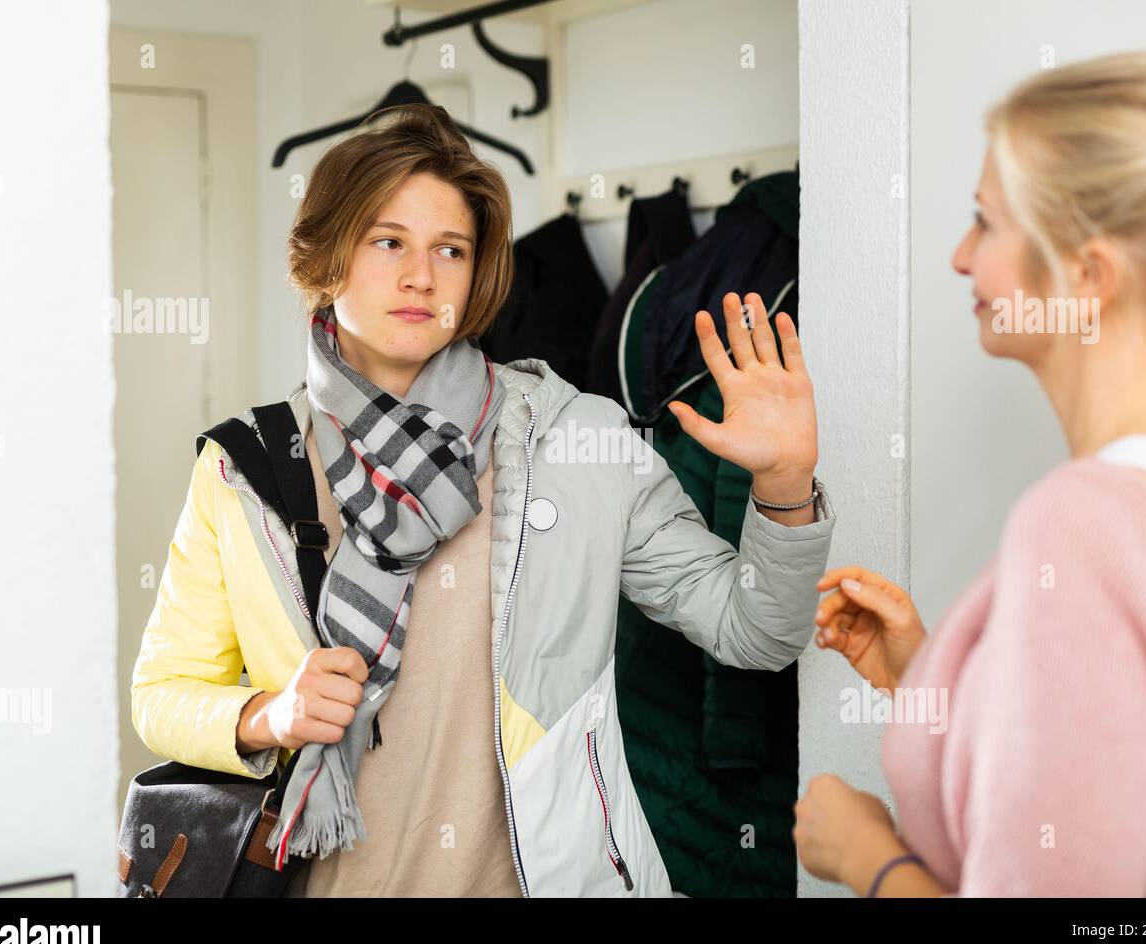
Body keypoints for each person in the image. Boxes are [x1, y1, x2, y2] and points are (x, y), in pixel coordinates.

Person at [130, 103, 835, 897]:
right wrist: (270, 715)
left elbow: (757, 632)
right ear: (328, 258)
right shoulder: (247, 467)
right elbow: (162, 696)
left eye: (451, 250)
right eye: (387, 240)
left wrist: (781, 486)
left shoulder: (577, 439)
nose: (420, 276)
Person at [796, 51, 1146, 897]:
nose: (962, 258)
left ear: (1086, 276)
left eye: (985, 221)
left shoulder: (1083, 527)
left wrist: (866, 857)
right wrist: (933, 679)